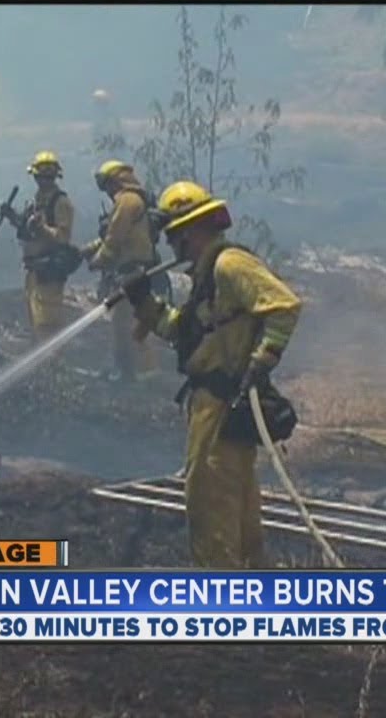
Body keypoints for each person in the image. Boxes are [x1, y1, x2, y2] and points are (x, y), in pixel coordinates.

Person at [124, 181, 303, 568]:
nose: (173, 247)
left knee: (210, 512)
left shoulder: (229, 265)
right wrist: (145, 303)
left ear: (189, 231)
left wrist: (260, 363)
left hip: (222, 408)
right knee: (233, 509)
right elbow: (184, 332)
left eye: (174, 236)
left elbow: (284, 306)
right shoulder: (208, 278)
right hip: (213, 408)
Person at [82, 160, 160, 381]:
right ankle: (128, 369)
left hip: (132, 271)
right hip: (129, 270)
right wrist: (86, 250)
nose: (107, 191)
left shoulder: (127, 201)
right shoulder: (130, 201)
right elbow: (109, 235)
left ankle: (141, 371)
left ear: (115, 181)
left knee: (128, 323)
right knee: (123, 322)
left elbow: (114, 240)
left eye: (107, 185)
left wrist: (97, 261)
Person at [3, 151, 75, 341]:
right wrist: (13, 217)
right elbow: (28, 230)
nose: (42, 180)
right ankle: (46, 365)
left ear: (54, 176)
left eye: (46, 176)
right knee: (37, 322)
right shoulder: (37, 200)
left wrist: (42, 228)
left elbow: (62, 238)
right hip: (34, 271)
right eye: (40, 176)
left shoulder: (61, 203)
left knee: (48, 324)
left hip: (49, 272)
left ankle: (54, 365)